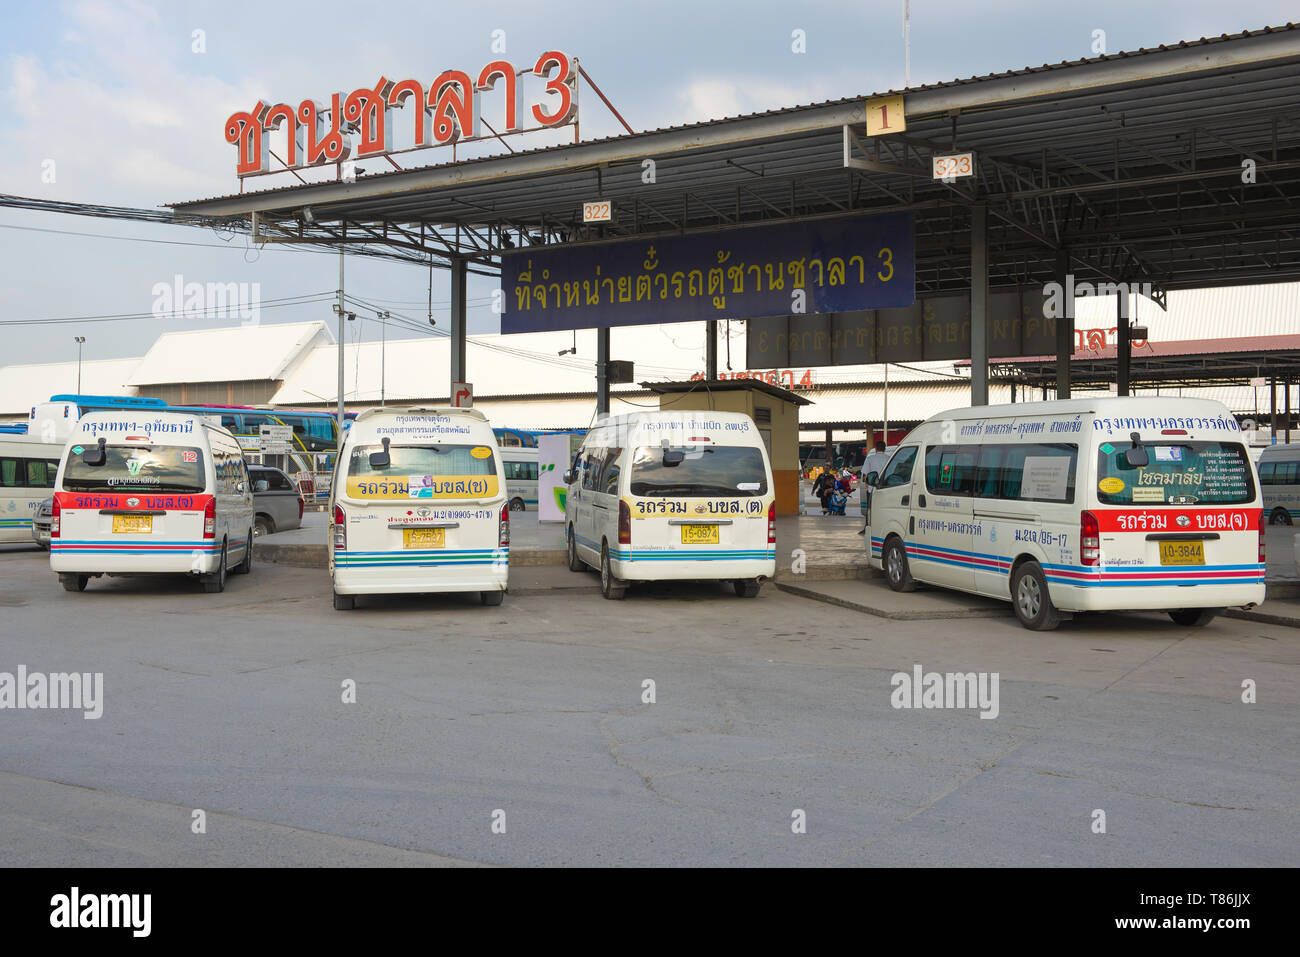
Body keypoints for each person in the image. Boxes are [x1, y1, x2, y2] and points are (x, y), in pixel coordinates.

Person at [858, 440, 891, 534]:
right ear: (884, 449)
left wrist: (867, 486)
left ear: (876, 449)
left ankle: (868, 528)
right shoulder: (889, 458)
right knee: (885, 510)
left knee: (870, 510)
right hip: (886, 489)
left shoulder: (870, 459)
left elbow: (865, 475)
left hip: (872, 489)